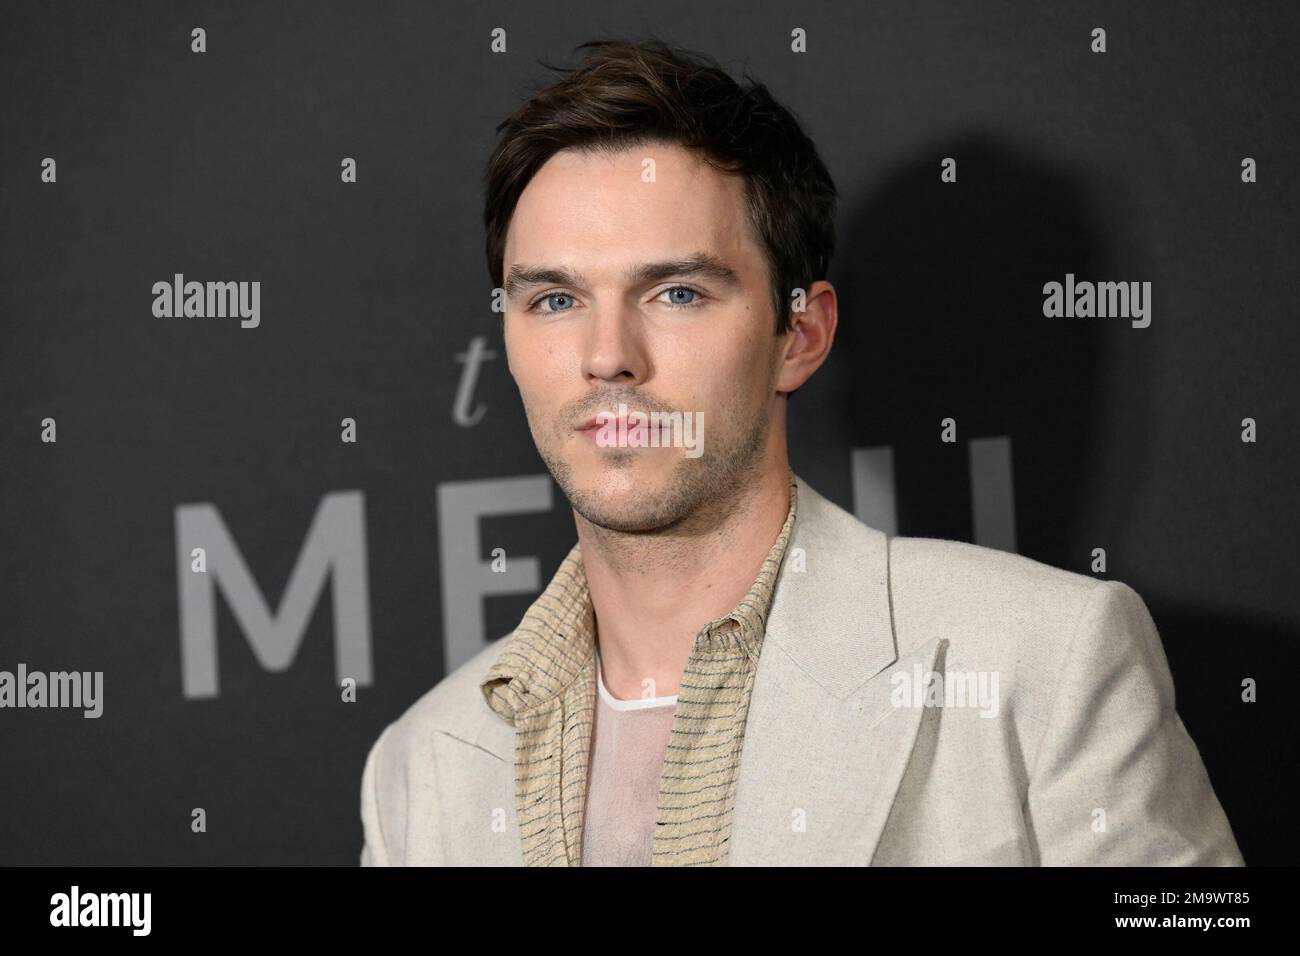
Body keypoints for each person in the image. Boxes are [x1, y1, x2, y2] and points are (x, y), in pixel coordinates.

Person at [360, 39, 1242, 866]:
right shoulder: (419, 773)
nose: (607, 355)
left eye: (675, 291)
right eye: (554, 300)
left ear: (800, 334)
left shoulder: (1043, 664)